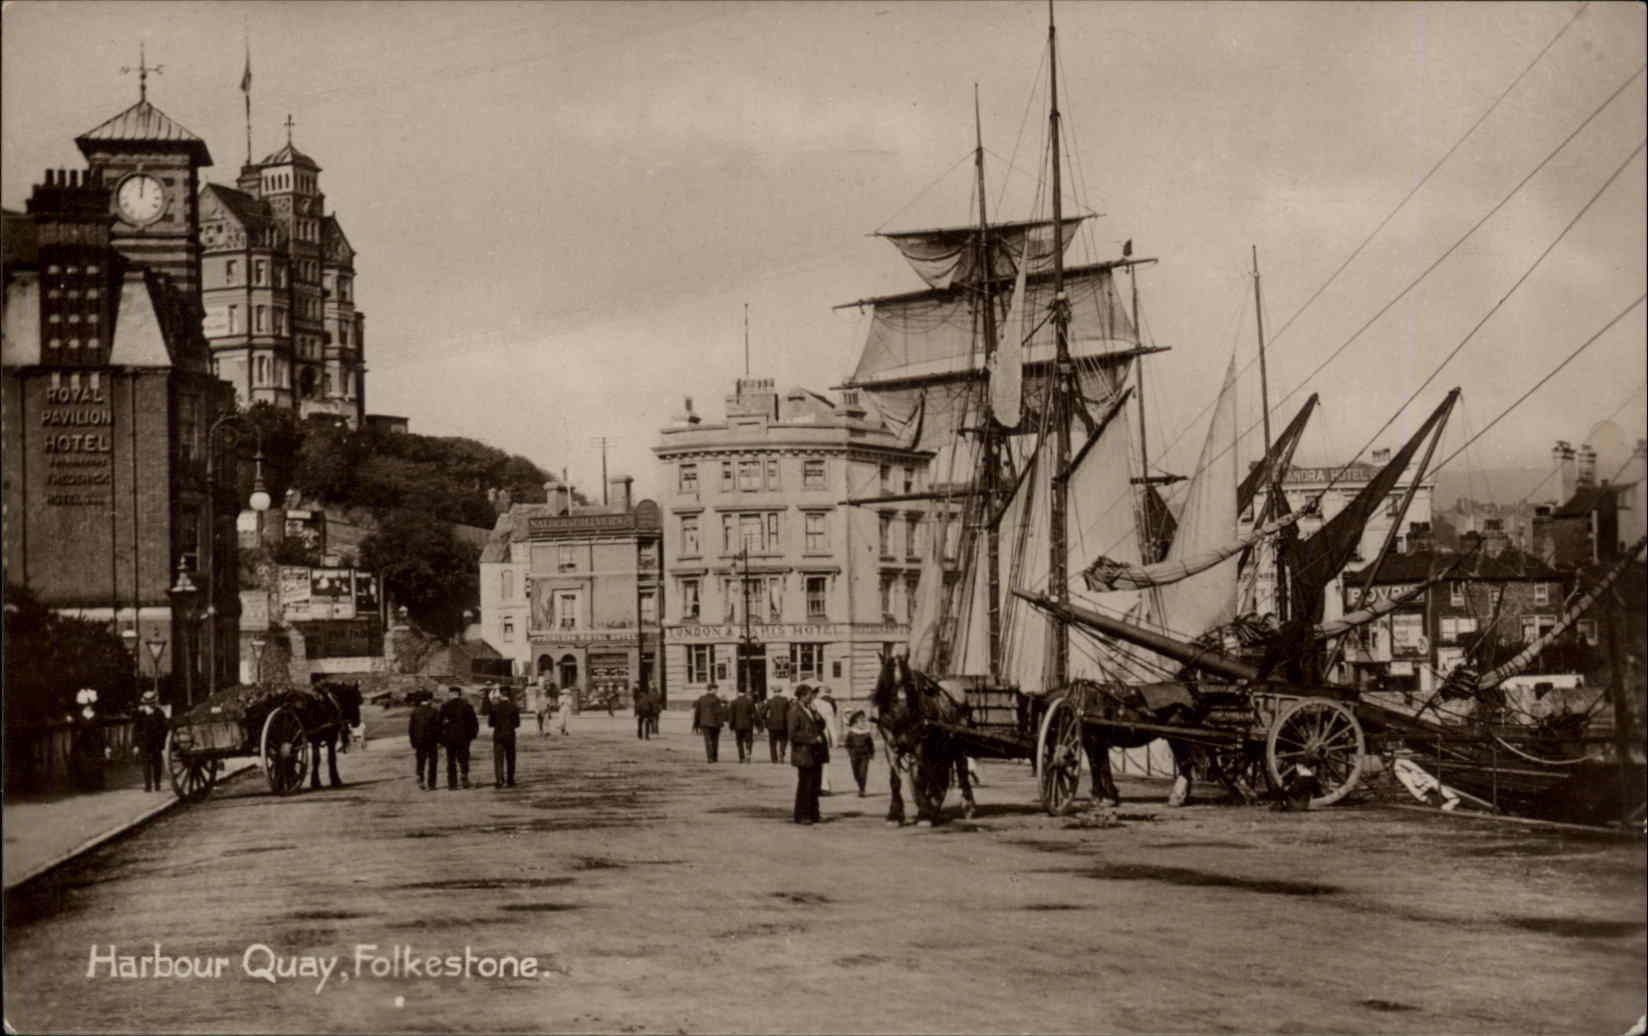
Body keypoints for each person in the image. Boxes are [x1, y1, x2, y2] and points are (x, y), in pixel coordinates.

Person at [787, 684, 827, 824]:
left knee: (815, 785)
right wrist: (812, 739)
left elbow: (822, 725)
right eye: (810, 694)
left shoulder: (809, 709)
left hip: (815, 753)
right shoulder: (794, 711)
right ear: (803, 695)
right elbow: (792, 734)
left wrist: (816, 714)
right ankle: (802, 815)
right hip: (803, 754)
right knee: (805, 785)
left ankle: (814, 814)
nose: (812, 697)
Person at [439, 685, 479, 790]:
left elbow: (439, 724)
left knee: (451, 760)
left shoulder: (445, 706)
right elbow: (474, 723)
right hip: (464, 737)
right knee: (464, 759)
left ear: (451, 694)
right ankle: (464, 778)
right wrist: (472, 736)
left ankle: (452, 784)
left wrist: (442, 738)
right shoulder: (467, 706)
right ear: (459, 694)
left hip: (450, 737)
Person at [134, 689, 169, 793]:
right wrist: (135, 744)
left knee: (157, 764)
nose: (150, 704)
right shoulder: (140, 714)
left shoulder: (159, 713)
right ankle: (147, 785)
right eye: (148, 703)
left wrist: (162, 741)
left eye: (151, 702)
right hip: (144, 742)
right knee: (146, 765)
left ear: (154, 703)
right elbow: (136, 729)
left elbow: (165, 728)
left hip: (156, 743)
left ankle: (157, 784)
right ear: (145, 703)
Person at [408, 689, 440, 791]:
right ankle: (432, 784)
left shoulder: (415, 712)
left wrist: (413, 742)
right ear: (429, 700)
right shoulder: (434, 711)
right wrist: (439, 741)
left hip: (419, 740)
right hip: (432, 741)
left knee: (420, 761)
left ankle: (420, 777)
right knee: (433, 762)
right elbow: (438, 728)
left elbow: (411, 729)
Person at [489, 686, 520, 788]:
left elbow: (491, 723)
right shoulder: (514, 707)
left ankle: (499, 779)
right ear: (509, 694)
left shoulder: (495, 707)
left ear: (500, 694)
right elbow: (517, 724)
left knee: (498, 759)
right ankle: (510, 779)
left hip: (498, 735)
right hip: (510, 734)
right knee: (511, 758)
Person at [844, 709, 876, 797]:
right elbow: (847, 744)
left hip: (864, 755)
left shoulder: (867, 733)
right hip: (854, 756)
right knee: (856, 773)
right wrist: (850, 752)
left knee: (863, 772)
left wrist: (872, 753)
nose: (862, 722)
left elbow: (871, 744)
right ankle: (859, 784)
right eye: (860, 721)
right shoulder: (851, 732)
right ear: (855, 722)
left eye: (863, 720)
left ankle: (862, 790)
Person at [691, 682, 726, 763]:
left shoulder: (701, 699)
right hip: (715, 724)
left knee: (707, 741)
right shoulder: (717, 699)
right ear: (712, 690)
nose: (717, 691)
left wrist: (695, 725)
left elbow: (697, 713)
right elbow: (719, 712)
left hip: (704, 723)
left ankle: (709, 758)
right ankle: (714, 757)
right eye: (716, 689)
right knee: (715, 741)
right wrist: (721, 724)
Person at [815, 688, 840, 795]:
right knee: (824, 762)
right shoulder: (826, 705)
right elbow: (831, 725)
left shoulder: (800, 705)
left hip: (808, 738)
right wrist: (835, 741)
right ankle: (824, 786)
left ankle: (814, 786)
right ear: (817, 692)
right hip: (823, 736)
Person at [728, 686, 757, 763]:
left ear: (738, 692)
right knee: (749, 740)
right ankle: (748, 752)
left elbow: (731, 716)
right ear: (745, 692)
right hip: (748, 725)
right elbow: (754, 714)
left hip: (738, 726)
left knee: (739, 742)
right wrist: (756, 725)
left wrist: (731, 726)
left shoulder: (734, 702)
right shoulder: (750, 701)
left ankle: (741, 757)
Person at [764, 685, 791, 763]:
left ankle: (774, 759)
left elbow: (763, 712)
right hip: (783, 724)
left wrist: (767, 721)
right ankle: (782, 753)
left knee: (772, 743)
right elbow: (789, 712)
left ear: (774, 692)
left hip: (772, 725)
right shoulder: (785, 700)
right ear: (781, 691)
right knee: (783, 740)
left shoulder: (770, 701)